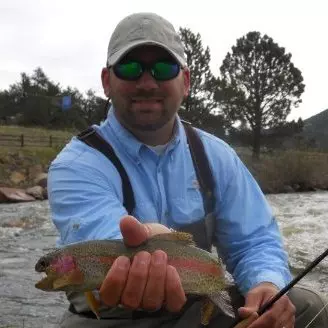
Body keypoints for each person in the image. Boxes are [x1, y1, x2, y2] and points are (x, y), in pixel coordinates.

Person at [47, 12, 327, 328]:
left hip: (197, 310)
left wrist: (266, 285)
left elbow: (254, 241)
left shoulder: (217, 156)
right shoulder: (76, 164)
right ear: (106, 81)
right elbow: (99, 241)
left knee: (305, 306)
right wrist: (151, 248)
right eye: (130, 67)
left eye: (164, 68)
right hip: (109, 320)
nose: (147, 82)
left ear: (186, 82)